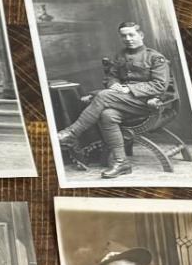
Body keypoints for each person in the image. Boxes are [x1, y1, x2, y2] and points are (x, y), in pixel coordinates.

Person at [55, 20, 174, 179]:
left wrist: (129, 89)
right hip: (123, 101)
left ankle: (71, 133)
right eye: (124, 36)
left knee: (103, 96)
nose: (128, 39)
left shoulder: (155, 57)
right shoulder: (120, 56)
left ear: (141, 35)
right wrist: (115, 85)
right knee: (107, 115)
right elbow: (111, 77)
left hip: (146, 103)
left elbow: (159, 86)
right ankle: (121, 163)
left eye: (131, 35)